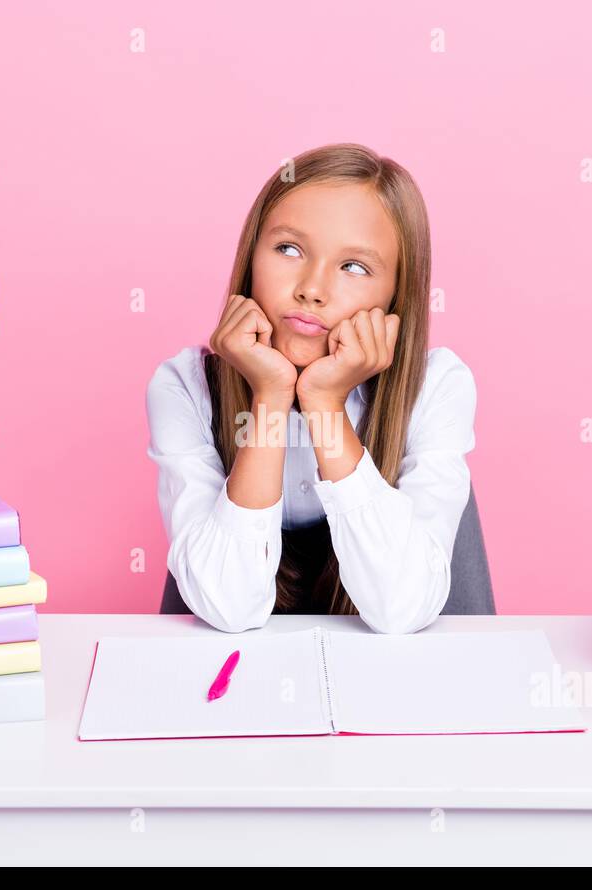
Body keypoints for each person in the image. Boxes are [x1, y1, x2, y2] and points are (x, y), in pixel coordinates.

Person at [146, 143, 477, 633]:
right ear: (250, 258)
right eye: (289, 249)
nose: (312, 288)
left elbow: (401, 608)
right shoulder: (183, 387)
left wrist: (324, 404)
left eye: (354, 267)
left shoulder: (439, 386)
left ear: (394, 297)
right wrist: (270, 399)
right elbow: (228, 607)